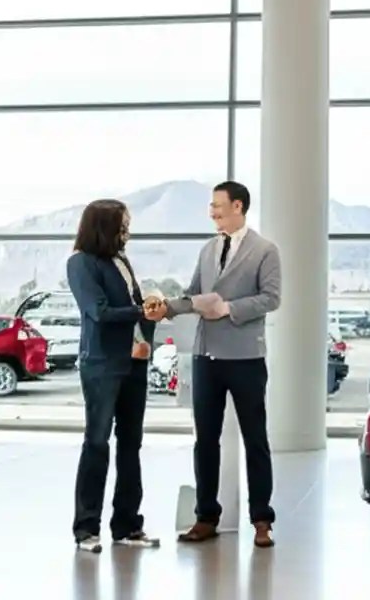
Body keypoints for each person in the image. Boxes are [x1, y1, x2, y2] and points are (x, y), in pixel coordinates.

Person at [146, 180, 282, 549]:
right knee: (205, 440)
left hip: (245, 358)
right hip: (206, 356)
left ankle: (262, 520)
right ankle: (206, 516)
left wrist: (230, 309)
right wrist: (165, 308)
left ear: (238, 206)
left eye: (217, 205)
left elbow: (271, 298)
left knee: (256, 440)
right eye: (210, 206)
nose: (212, 211)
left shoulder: (265, 250)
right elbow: (193, 295)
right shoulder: (208, 249)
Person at [66, 199, 160, 554]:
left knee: (131, 445)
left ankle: (127, 526)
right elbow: (99, 312)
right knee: (97, 443)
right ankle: (86, 529)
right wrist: (141, 309)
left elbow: (129, 311)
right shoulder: (80, 264)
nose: (127, 230)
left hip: (134, 363)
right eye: (123, 223)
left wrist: (147, 313)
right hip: (102, 365)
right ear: (104, 226)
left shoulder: (120, 260)